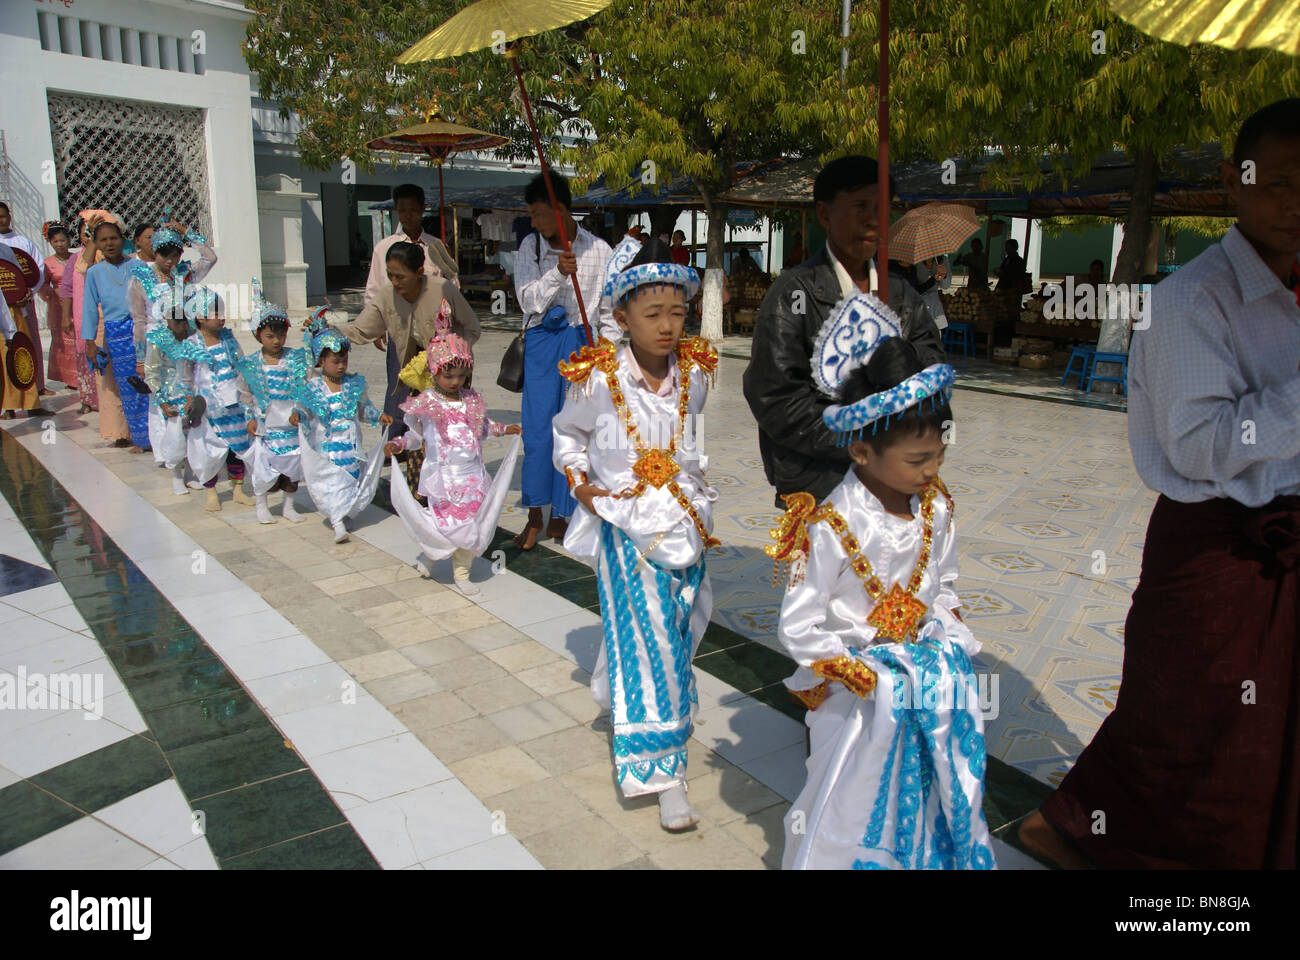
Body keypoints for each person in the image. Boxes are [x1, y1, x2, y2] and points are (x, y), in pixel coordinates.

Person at [1019, 98, 1300, 870]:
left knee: (1263, 733)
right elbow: (1205, 443)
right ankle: (1097, 842)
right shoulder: (1190, 300)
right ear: (1230, 181)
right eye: (1276, 181)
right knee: (1187, 727)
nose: (1294, 201)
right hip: (1220, 551)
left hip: (1284, 551)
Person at [771, 295, 994, 870]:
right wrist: (861, 672)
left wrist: (943, 633)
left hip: (919, 688)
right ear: (862, 450)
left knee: (920, 797)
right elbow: (799, 625)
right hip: (855, 696)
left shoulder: (935, 510)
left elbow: (944, 586)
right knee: (848, 799)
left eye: (938, 456)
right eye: (917, 460)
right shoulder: (828, 527)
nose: (930, 472)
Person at [552, 235, 719, 832]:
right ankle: (661, 775)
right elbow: (568, 436)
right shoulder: (599, 377)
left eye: (678, 312)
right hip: (626, 526)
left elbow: (693, 446)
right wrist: (581, 484)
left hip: (685, 521)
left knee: (681, 630)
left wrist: (697, 492)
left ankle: (627, 698)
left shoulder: (695, 374)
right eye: (653, 314)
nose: (669, 326)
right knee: (650, 643)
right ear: (621, 317)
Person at [743, 154, 945, 506]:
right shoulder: (794, 293)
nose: (872, 220)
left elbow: (934, 364)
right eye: (860, 207)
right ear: (825, 214)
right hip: (819, 482)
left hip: (892, 479)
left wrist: (907, 359)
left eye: (881, 208)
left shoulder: (900, 296)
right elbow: (774, 396)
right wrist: (859, 437)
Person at [513, 171, 617, 550]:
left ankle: (563, 511)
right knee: (539, 430)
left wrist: (607, 353)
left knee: (574, 432)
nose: (534, 222)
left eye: (539, 214)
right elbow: (527, 301)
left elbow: (607, 311)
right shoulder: (531, 247)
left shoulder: (600, 251)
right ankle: (535, 512)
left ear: (559, 210)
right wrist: (558, 273)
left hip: (582, 345)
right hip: (543, 345)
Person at [385, 331, 522, 595]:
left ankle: (461, 571)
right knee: (445, 523)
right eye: (448, 376)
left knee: (470, 525)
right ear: (435, 371)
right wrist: (399, 445)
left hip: (472, 477)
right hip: (443, 478)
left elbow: (483, 428)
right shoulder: (427, 402)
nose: (455, 381)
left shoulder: (471, 400)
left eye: (461, 376)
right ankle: (432, 555)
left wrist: (504, 430)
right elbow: (415, 437)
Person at [365, 184, 459, 442]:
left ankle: (432, 437)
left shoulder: (436, 247)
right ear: (396, 211)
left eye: (413, 210)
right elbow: (375, 288)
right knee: (400, 383)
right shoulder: (385, 248)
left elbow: (452, 283)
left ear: (423, 210)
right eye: (403, 210)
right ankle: (394, 440)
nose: (408, 216)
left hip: (434, 330)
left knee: (436, 381)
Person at [294, 312, 393, 543]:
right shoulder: (313, 387)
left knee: (349, 480)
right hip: (327, 450)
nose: (341, 366)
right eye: (335, 361)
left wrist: (378, 416)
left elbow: (362, 409)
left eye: (344, 361)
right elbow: (303, 409)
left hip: (350, 448)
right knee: (333, 483)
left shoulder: (353, 385)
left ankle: (342, 512)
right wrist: (296, 416)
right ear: (320, 360)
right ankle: (337, 522)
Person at [126, 214, 218, 459]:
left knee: (188, 387)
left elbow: (210, 257)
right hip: (156, 343)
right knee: (161, 396)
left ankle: (192, 448)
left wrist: (186, 231)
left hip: (185, 339)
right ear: (154, 252)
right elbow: (139, 319)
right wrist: (138, 357)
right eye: (164, 254)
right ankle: (165, 454)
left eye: (175, 254)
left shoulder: (185, 273)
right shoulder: (142, 278)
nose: (170, 260)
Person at [177, 288, 257, 512]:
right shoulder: (191, 345)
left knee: (237, 448)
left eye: (222, 312)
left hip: (233, 406)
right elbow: (184, 377)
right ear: (200, 318)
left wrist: (247, 396)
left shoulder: (230, 340)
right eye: (215, 313)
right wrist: (187, 399)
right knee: (209, 451)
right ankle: (211, 493)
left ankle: (238, 489)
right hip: (208, 409)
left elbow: (241, 368)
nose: (221, 317)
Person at [239, 281, 308, 525]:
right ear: (258, 335)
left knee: (293, 466)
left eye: (280, 334)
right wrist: (249, 416)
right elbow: (244, 393)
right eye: (270, 335)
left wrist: (299, 410)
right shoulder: (250, 364)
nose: (276, 340)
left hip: (289, 423)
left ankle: (289, 506)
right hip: (265, 426)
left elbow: (303, 388)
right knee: (263, 468)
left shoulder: (296, 359)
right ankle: (261, 505)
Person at [81, 219, 141, 448]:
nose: (109, 243)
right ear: (96, 243)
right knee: (123, 386)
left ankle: (150, 435)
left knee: (146, 382)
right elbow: (89, 309)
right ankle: (128, 434)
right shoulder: (95, 272)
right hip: (115, 335)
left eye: (113, 238)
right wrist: (89, 342)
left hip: (140, 331)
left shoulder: (137, 267)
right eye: (103, 240)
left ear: (122, 240)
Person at [142, 296, 196, 495]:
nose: (181, 326)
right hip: (170, 393)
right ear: (169, 322)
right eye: (177, 322)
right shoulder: (158, 340)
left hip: (191, 391)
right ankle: (176, 477)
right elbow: (152, 373)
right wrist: (162, 400)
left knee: (193, 434)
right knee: (174, 436)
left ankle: (191, 474)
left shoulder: (193, 338)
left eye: (184, 322)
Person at [0, 201, 54, 401]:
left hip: (23, 303)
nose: (1, 220)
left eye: (3, 215)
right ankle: (10, 400)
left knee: (29, 343)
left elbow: (36, 269)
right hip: (2, 307)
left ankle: (37, 389)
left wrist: (27, 292)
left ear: (10, 216)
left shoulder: (23, 242)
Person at [59, 214, 105, 415]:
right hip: (82, 313)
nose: (88, 236)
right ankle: (88, 398)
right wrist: (65, 316)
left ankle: (107, 397)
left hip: (104, 313)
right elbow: (67, 289)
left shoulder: (107, 255)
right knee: (84, 351)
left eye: (92, 232)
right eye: (85, 232)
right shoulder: (76, 259)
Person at [38, 223, 77, 392]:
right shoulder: (47, 263)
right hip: (59, 307)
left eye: (63, 240)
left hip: (77, 302)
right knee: (65, 342)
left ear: (69, 240)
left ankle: (81, 375)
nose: (60, 244)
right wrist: (53, 294)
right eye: (55, 241)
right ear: (50, 243)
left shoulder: (77, 259)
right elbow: (42, 285)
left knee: (79, 340)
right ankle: (69, 379)